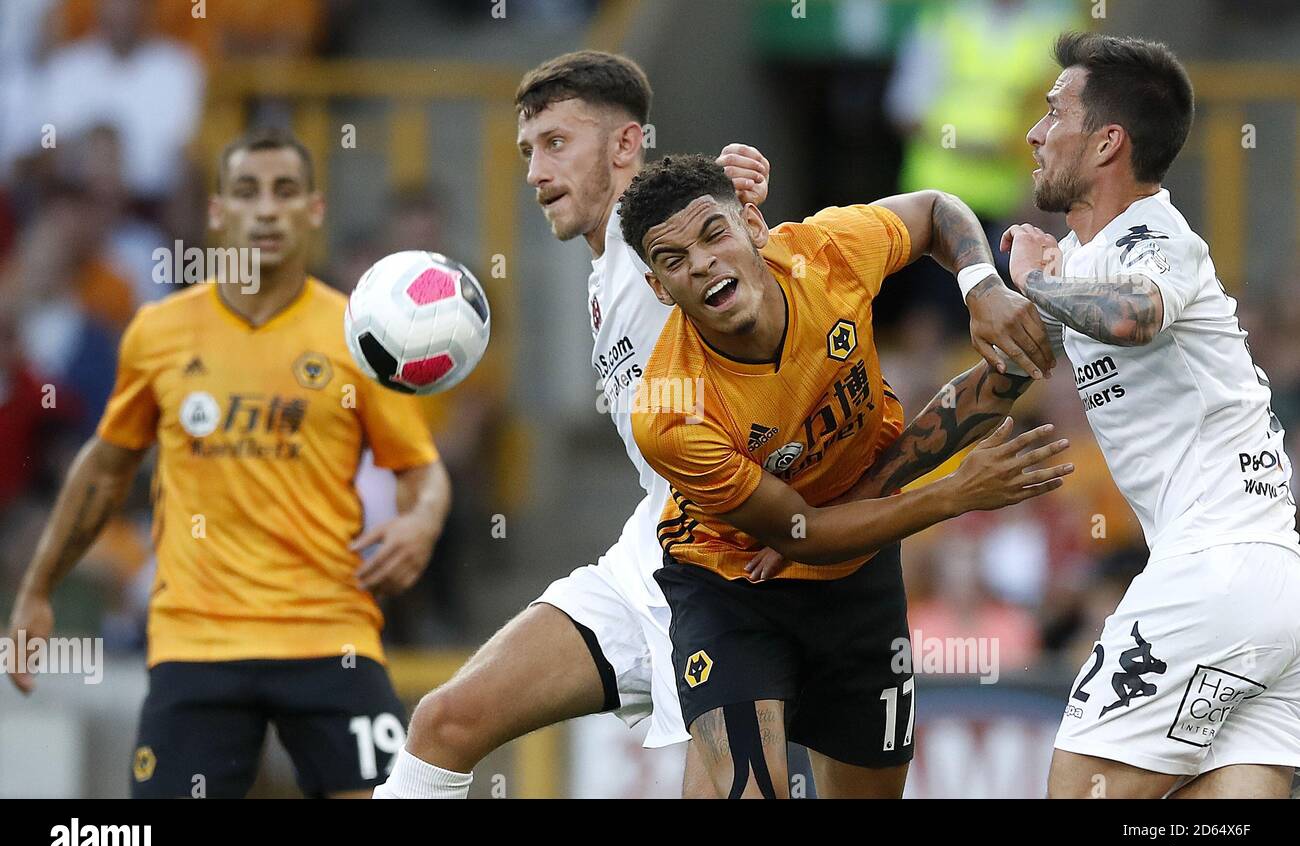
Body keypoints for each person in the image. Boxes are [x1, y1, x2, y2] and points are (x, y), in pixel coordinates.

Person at [375, 50, 1056, 800]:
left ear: (629, 146)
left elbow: (749, 215)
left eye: (556, 143)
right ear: (659, 278)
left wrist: (983, 284)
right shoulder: (626, 270)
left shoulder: (740, 248)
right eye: (527, 151)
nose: (535, 171)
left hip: (774, 553)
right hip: (688, 544)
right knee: (445, 722)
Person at [4, 129, 451, 798]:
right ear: (217, 213)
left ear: (314, 210)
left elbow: (421, 468)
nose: (266, 210)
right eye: (246, 192)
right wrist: (39, 589)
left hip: (329, 636)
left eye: (284, 191)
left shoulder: (357, 336)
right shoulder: (159, 332)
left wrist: (421, 525)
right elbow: (105, 467)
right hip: (198, 645)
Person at [621, 152, 1073, 798]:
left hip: (859, 573)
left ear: (753, 224)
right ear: (660, 288)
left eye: (713, 233)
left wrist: (982, 285)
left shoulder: (826, 254)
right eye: (672, 259)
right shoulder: (670, 413)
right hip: (734, 584)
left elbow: (935, 210)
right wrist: (956, 493)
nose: (699, 262)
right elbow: (801, 535)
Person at [1000, 32, 1300, 799]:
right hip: (1266, 583)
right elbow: (999, 376)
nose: (1035, 133)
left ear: (1107, 141)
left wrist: (1033, 281)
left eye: (1052, 111)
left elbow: (1135, 316)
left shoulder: (1156, 235)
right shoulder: (1081, 260)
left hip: (1212, 569)